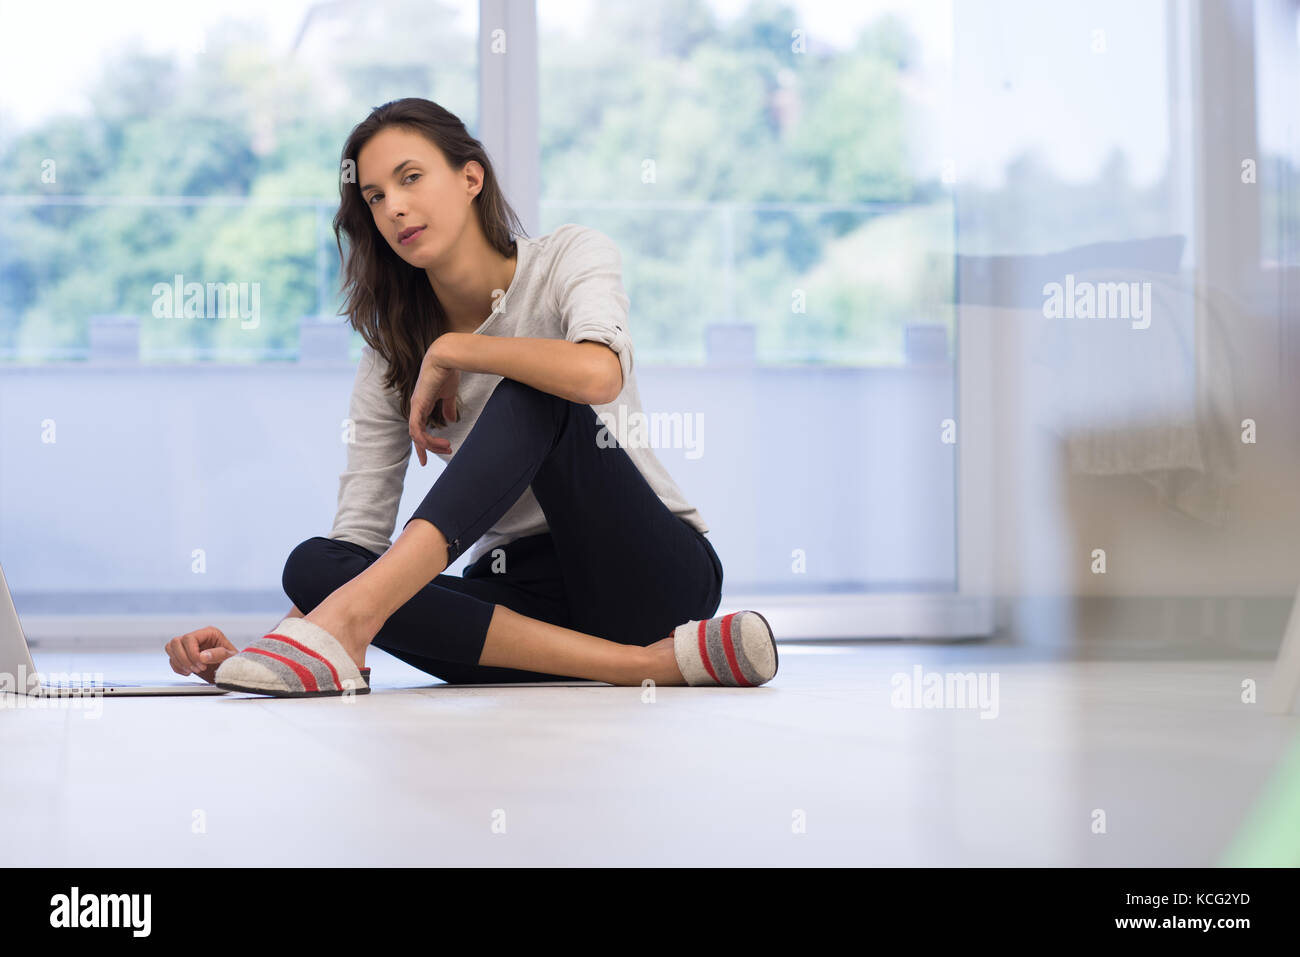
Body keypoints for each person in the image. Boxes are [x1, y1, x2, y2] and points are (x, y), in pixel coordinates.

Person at [163, 97, 776, 697]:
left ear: (470, 178)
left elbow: (598, 374)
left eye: (411, 178)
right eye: (376, 198)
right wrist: (274, 649)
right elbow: (362, 537)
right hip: (524, 610)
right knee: (313, 565)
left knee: (539, 395)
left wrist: (456, 349)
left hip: (646, 572)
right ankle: (643, 666)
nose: (395, 208)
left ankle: (636, 654)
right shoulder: (390, 351)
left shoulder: (570, 256)